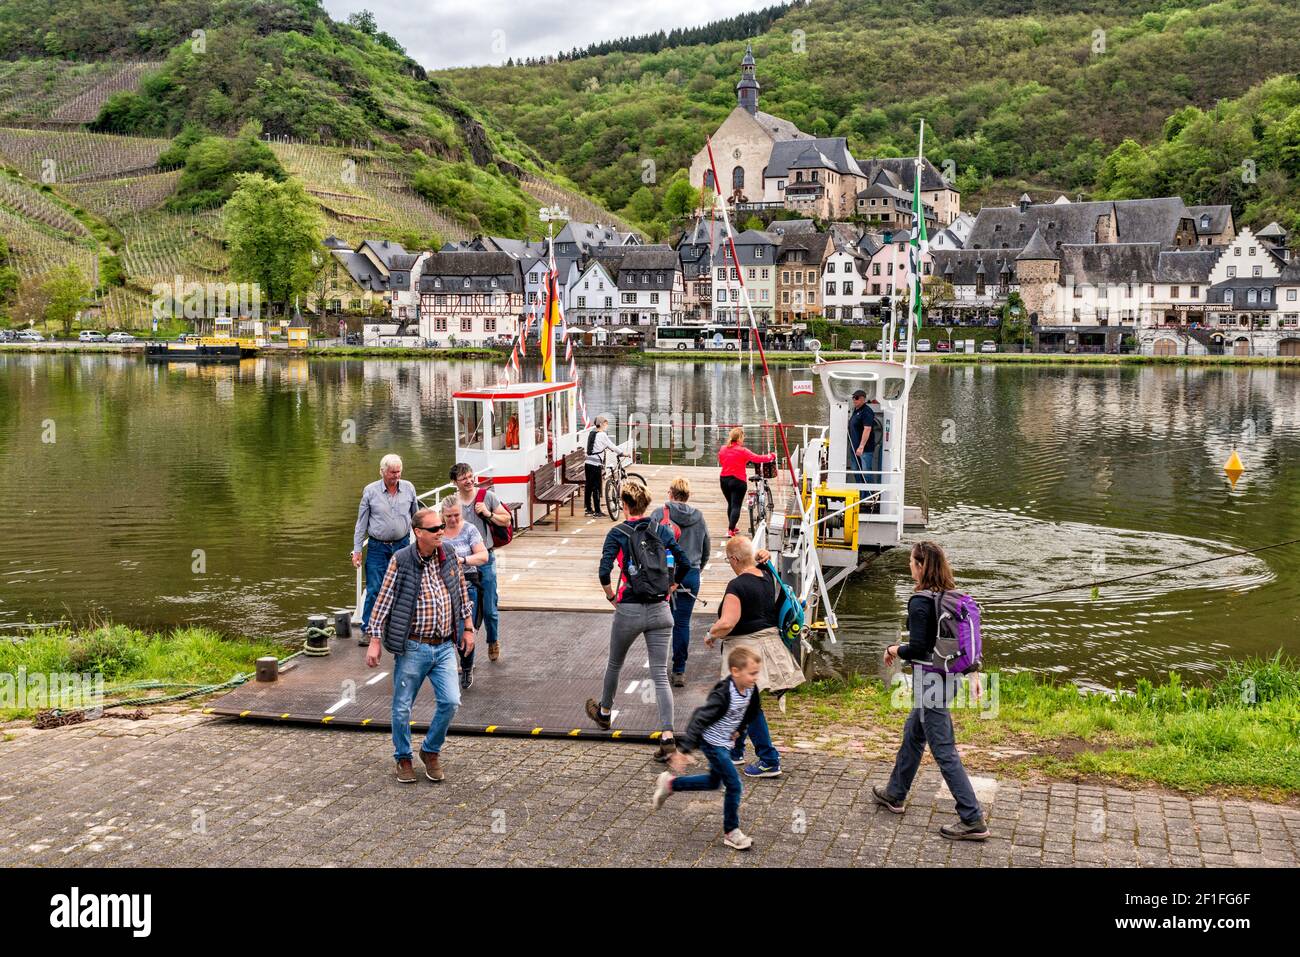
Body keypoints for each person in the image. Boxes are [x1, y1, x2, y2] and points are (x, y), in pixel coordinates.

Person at [873, 541, 990, 841]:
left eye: (912, 562)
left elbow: (919, 648)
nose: (910, 566)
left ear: (921, 565)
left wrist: (893, 648)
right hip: (947, 677)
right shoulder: (950, 595)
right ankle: (895, 793)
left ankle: (972, 817)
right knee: (914, 732)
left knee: (943, 749)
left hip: (930, 681)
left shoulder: (921, 600)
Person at [365, 506, 474, 784]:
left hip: (444, 646)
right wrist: (374, 641)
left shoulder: (448, 554)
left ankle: (430, 750)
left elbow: (461, 591)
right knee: (402, 707)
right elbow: (383, 601)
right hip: (413, 646)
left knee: (451, 701)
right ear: (418, 533)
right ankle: (403, 757)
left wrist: (469, 628)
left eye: (442, 527)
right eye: (435, 529)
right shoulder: (401, 560)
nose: (441, 532)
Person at [586, 479, 689, 762]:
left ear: (625, 505)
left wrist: (611, 597)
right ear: (645, 505)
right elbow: (685, 562)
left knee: (615, 663)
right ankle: (668, 736)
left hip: (629, 608)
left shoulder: (617, 532)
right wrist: (671, 586)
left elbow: (604, 571)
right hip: (660, 609)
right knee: (659, 674)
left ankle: (605, 713)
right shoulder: (661, 530)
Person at [652, 645, 763, 851]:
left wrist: (740, 728)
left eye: (757, 673)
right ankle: (732, 832)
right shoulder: (723, 693)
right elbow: (699, 719)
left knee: (714, 782)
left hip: (725, 743)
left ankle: (670, 785)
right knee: (734, 785)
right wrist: (683, 751)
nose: (756, 678)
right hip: (711, 742)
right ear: (735, 672)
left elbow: (753, 711)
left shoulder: (751, 689)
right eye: (752, 673)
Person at [706, 535, 800, 778]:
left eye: (729, 559)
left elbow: (728, 622)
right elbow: (760, 560)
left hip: (744, 649)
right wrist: (763, 555)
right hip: (768, 645)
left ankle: (769, 758)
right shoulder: (766, 575)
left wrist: (711, 633)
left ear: (735, 559)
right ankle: (736, 751)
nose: (729, 563)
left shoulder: (737, 586)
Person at [352, 454, 419, 641]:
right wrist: (357, 550)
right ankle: (368, 629)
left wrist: (423, 542)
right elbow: (361, 523)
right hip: (377, 547)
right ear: (382, 471)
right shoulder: (370, 491)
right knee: (375, 588)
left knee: (403, 587)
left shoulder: (409, 488)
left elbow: (417, 517)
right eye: (392, 472)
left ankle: (399, 627)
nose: (396, 476)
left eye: (399, 472)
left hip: (403, 546)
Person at [449, 462, 509, 662]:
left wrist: (488, 513)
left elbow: (506, 519)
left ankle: (493, 640)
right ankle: (467, 654)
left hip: (485, 559)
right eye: (463, 478)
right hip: (461, 565)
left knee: (490, 608)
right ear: (455, 482)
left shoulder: (487, 497)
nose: (468, 480)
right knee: (465, 610)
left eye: (470, 476)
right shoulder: (453, 503)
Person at [662, 477, 710, 688]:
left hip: (665, 574)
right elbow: (706, 546)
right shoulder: (698, 517)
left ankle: (658, 666)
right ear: (688, 496)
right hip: (690, 572)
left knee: (660, 622)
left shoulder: (659, 513)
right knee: (682, 622)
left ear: (671, 494)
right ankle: (679, 670)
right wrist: (697, 568)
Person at [440, 496, 490, 690]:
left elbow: (483, 556)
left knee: (464, 631)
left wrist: (463, 560)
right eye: (449, 516)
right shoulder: (438, 531)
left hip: (467, 584)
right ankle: (443, 668)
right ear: (443, 515)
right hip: (443, 586)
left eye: (457, 515)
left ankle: (467, 667)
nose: (453, 520)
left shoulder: (469, 529)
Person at [717, 426, 776, 538]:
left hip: (724, 479)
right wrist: (771, 456)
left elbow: (722, 461)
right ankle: (730, 530)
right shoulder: (743, 451)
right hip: (738, 481)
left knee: (730, 504)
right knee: (736, 505)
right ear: (739, 438)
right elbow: (757, 458)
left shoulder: (723, 449)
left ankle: (732, 526)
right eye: (742, 437)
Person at [584, 416, 619, 517]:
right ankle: (597, 511)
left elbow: (596, 446)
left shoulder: (592, 433)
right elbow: (611, 445)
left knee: (589, 486)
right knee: (596, 487)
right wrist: (622, 453)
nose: (606, 426)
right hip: (595, 464)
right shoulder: (602, 434)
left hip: (588, 463)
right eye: (606, 424)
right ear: (602, 424)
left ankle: (588, 509)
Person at [847, 388, 877, 484]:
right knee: (856, 470)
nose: (854, 400)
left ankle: (869, 495)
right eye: (853, 398)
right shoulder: (856, 410)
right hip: (854, 448)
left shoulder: (867, 412)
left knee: (866, 472)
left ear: (863, 399)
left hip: (865, 449)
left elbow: (867, 429)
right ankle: (860, 493)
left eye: (856, 398)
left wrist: (861, 447)